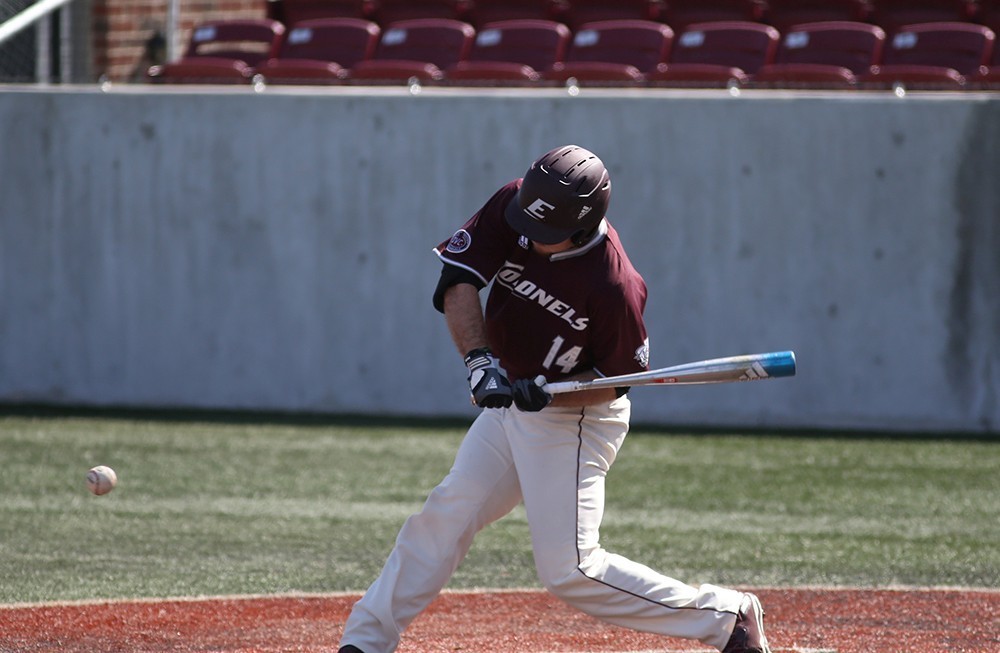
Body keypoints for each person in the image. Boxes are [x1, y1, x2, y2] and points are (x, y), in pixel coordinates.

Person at [337, 145, 771, 653]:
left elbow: (616, 380)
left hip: (578, 417)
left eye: (547, 235)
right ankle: (365, 641)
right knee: (446, 514)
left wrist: (550, 397)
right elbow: (458, 279)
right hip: (514, 404)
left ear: (583, 228)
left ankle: (726, 617)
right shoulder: (515, 205)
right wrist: (480, 362)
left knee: (571, 570)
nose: (530, 239)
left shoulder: (616, 286)